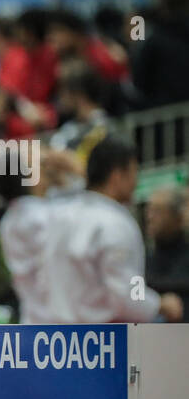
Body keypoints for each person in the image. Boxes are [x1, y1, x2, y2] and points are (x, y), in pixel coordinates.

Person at [35, 135, 183, 324]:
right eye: (134, 173)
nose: (136, 183)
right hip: (104, 340)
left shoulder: (60, 216)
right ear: (117, 175)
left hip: (58, 337)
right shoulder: (116, 223)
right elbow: (129, 295)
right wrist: (160, 304)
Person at [145, 185, 189, 305]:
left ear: (178, 217)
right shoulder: (144, 259)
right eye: (149, 210)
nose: (150, 217)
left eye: (158, 211)